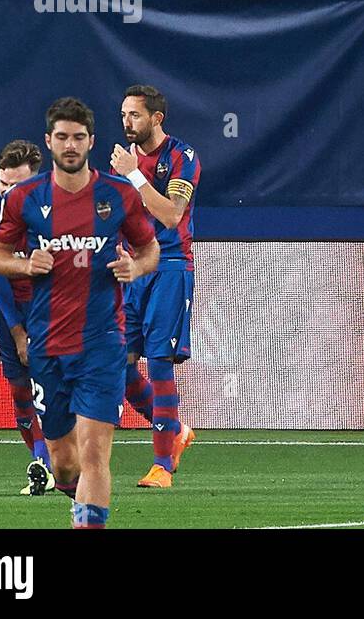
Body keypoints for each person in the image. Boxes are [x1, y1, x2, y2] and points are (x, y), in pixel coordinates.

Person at [0, 97, 159, 528]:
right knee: (65, 463)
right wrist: (26, 265)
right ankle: (76, 499)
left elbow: (150, 248)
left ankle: (89, 518)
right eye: (62, 137)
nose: (70, 145)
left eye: (78, 138)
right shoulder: (26, 198)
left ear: (91, 142)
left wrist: (135, 267)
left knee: (95, 452)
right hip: (48, 346)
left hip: (103, 343)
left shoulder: (118, 195)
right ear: (49, 141)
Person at [109, 85, 200, 488]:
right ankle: (177, 430)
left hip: (170, 266)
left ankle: (162, 466)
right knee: (121, 366)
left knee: (159, 362)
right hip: (132, 270)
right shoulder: (121, 164)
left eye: (134, 115)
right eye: (124, 114)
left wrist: (132, 173)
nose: (126, 122)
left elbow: (170, 215)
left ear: (156, 118)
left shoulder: (182, 157)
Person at [0, 139, 52, 495]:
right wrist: (18, 330)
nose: (6, 194)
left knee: (52, 389)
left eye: (16, 187)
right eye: (2, 184)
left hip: (52, 306)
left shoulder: (56, 211)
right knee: (19, 387)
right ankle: (42, 464)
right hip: (11, 309)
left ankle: (60, 462)